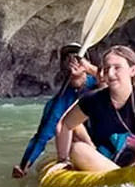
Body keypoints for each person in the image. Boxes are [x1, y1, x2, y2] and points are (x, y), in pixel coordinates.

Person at [55, 45, 135, 172]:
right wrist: (63, 159)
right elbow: (65, 124)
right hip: (106, 162)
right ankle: (121, 175)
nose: (110, 73)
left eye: (117, 68)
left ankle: (129, 174)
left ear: (132, 70)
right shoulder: (92, 100)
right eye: (107, 68)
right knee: (78, 149)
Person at [12, 43, 97, 178]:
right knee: (68, 124)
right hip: (80, 146)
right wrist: (24, 166)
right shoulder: (57, 103)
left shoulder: (99, 84)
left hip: (104, 138)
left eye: (76, 58)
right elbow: (41, 137)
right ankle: (67, 159)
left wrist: (90, 69)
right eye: (67, 59)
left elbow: (117, 83)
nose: (72, 62)